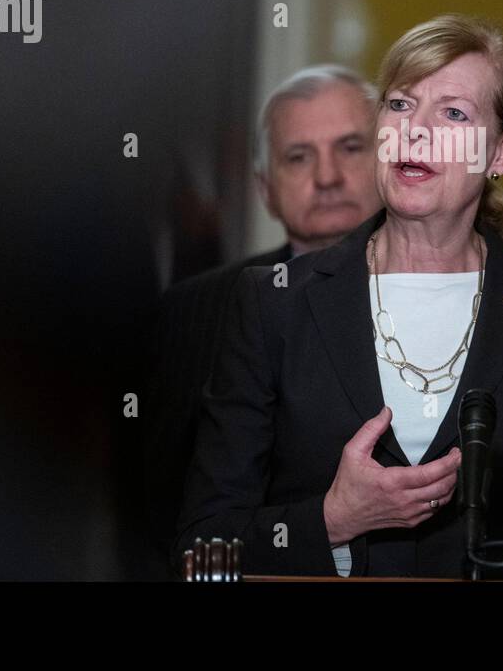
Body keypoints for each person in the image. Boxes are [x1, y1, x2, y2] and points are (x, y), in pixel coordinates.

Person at [174, 14, 503, 579]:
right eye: (399, 105)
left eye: (454, 113)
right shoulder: (276, 304)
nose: (415, 130)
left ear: (501, 152)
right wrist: (334, 519)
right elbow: (203, 543)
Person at [142, 65, 382, 567]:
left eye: (350, 148)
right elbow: (157, 507)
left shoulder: (454, 285)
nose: (328, 177)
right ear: (265, 188)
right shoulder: (194, 312)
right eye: (299, 157)